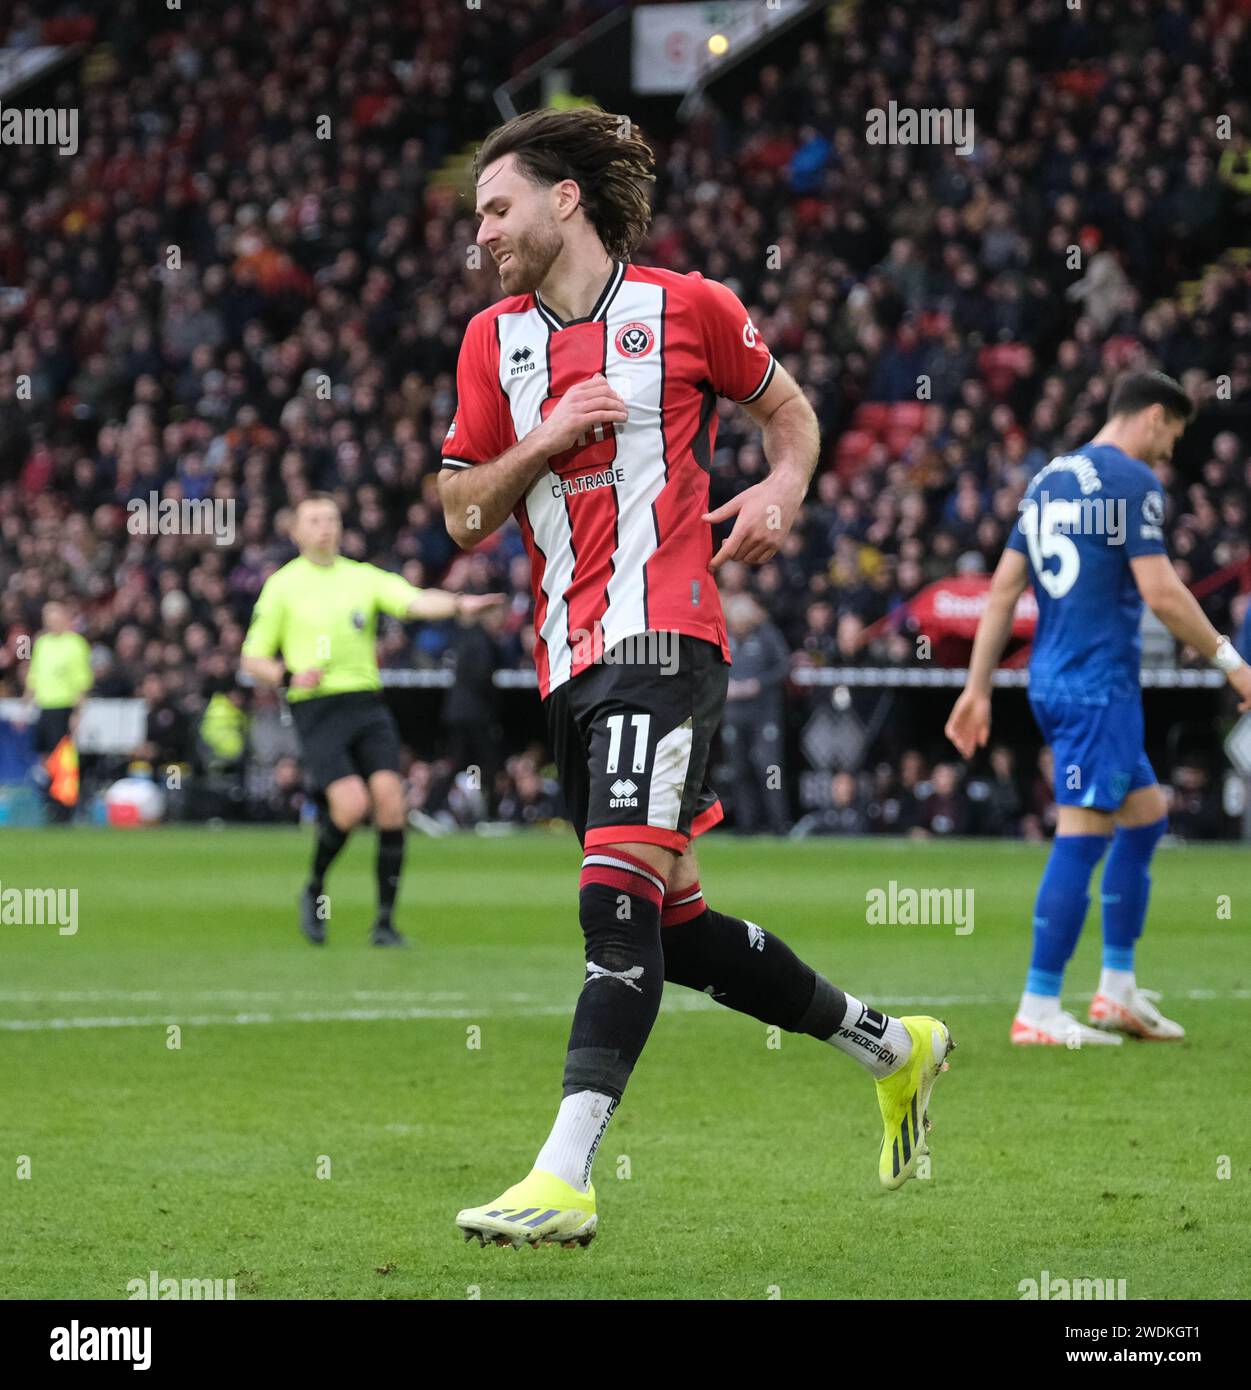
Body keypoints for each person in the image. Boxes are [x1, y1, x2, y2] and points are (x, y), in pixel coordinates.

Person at [439, 107, 953, 1249]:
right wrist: (549, 434)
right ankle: (896, 1047)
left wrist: (783, 491)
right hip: (565, 661)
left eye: (497, 207)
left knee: (610, 903)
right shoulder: (491, 344)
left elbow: (794, 417)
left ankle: (563, 1173)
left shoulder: (691, 308)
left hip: (667, 640)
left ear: (563, 198)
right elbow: (464, 514)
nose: (483, 233)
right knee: (679, 922)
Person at [946, 370, 1251, 1046]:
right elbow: (1162, 592)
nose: (1169, 450)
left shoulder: (1049, 477)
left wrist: (976, 687)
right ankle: (1038, 1005)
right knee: (1081, 835)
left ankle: (1114, 990)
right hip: (1095, 687)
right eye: (1171, 432)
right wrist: (1233, 663)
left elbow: (1000, 592)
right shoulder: (1131, 481)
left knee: (1144, 817)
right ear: (1148, 416)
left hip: (1054, 679)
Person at [240, 493, 502, 946]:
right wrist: (286, 673)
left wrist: (460, 604)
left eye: (331, 519)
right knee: (350, 806)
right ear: (297, 532)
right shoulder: (283, 585)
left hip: (366, 702)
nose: (325, 527)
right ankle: (315, 886)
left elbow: (414, 601)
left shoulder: (361, 577)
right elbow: (251, 657)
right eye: (315, 520)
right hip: (317, 706)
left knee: (391, 804)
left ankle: (384, 923)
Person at [23, 600, 93, 823]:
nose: (51, 621)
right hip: (44, 707)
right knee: (44, 758)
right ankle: (50, 802)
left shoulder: (76, 644)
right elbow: (34, 676)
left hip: (63, 707)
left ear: (65, 618)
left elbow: (81, 681)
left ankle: (65, 807)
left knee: (63, 760)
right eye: (47, 616)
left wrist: (77, 712)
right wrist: (26, 702)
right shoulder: (42, 643)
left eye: (55, 616)